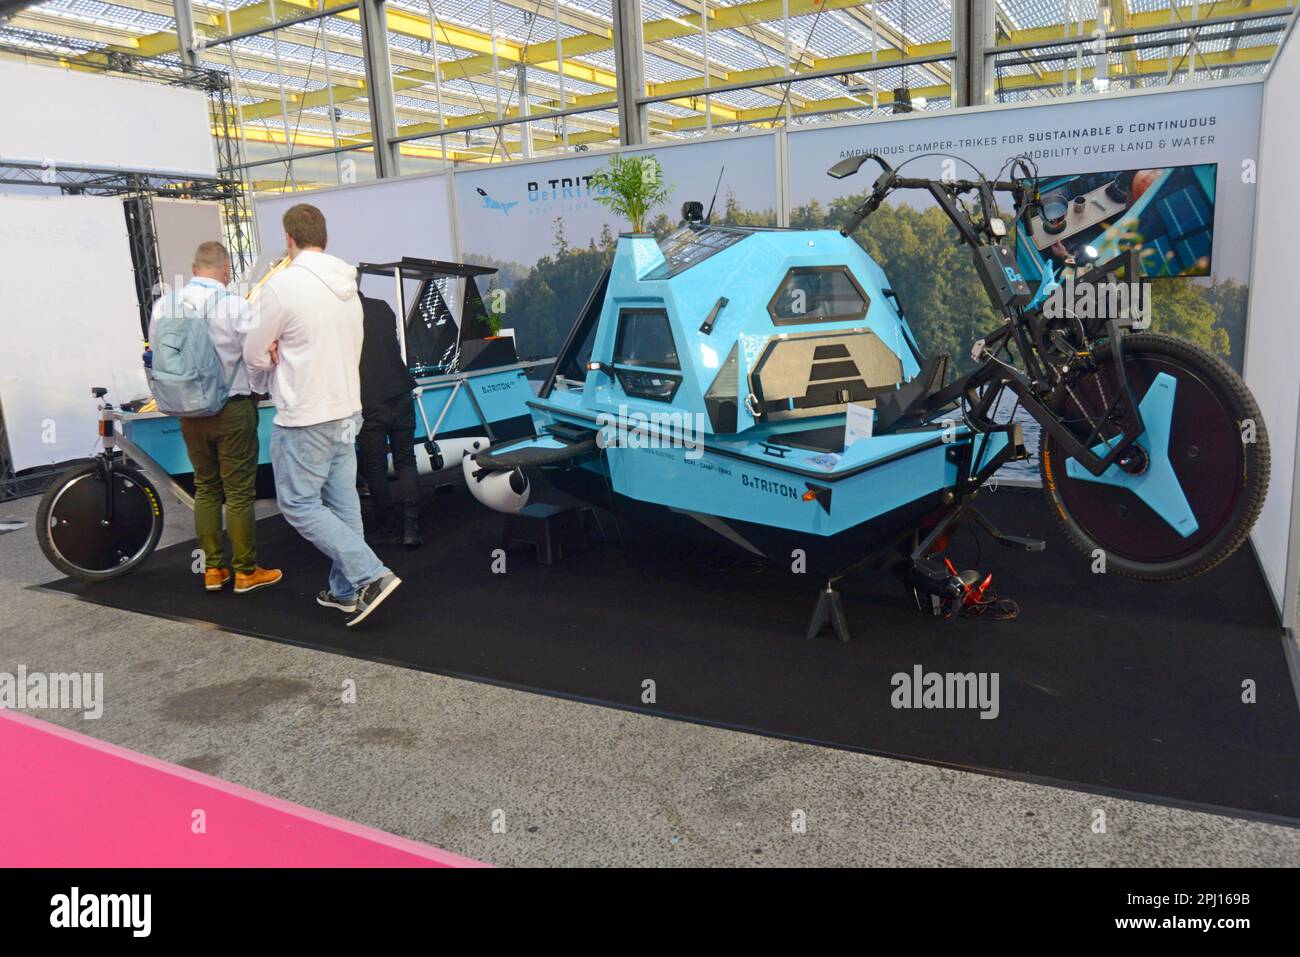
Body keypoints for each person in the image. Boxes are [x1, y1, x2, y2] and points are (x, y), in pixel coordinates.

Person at [243, 204, 401, 628]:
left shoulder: (282, 287)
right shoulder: (348, 287)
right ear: (325, 239)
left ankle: (370, 575)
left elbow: (253, 352)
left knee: (298, 504)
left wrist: (270, 364)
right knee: (343, 502)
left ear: (288, 239)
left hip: (306, 415)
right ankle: (346, 592)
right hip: (348, 410)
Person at [149, 241, 281, 595]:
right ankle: (246, 571)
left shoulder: (164, 305)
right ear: (226, 271)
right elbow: (256, 356)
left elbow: (156, 356)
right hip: (231, 408)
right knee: (239, 493)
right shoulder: (235, 304)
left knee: (206, 488)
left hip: (187, 411)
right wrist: (257, 392)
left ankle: (212, 570)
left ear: (194, 270)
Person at [357, 293, 422, 549]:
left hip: (369, 400)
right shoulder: (382, 306)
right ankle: (411, 528)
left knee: (375, 467)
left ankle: (386, 526)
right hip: (401, 391)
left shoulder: (342, 315)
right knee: (406, 461)